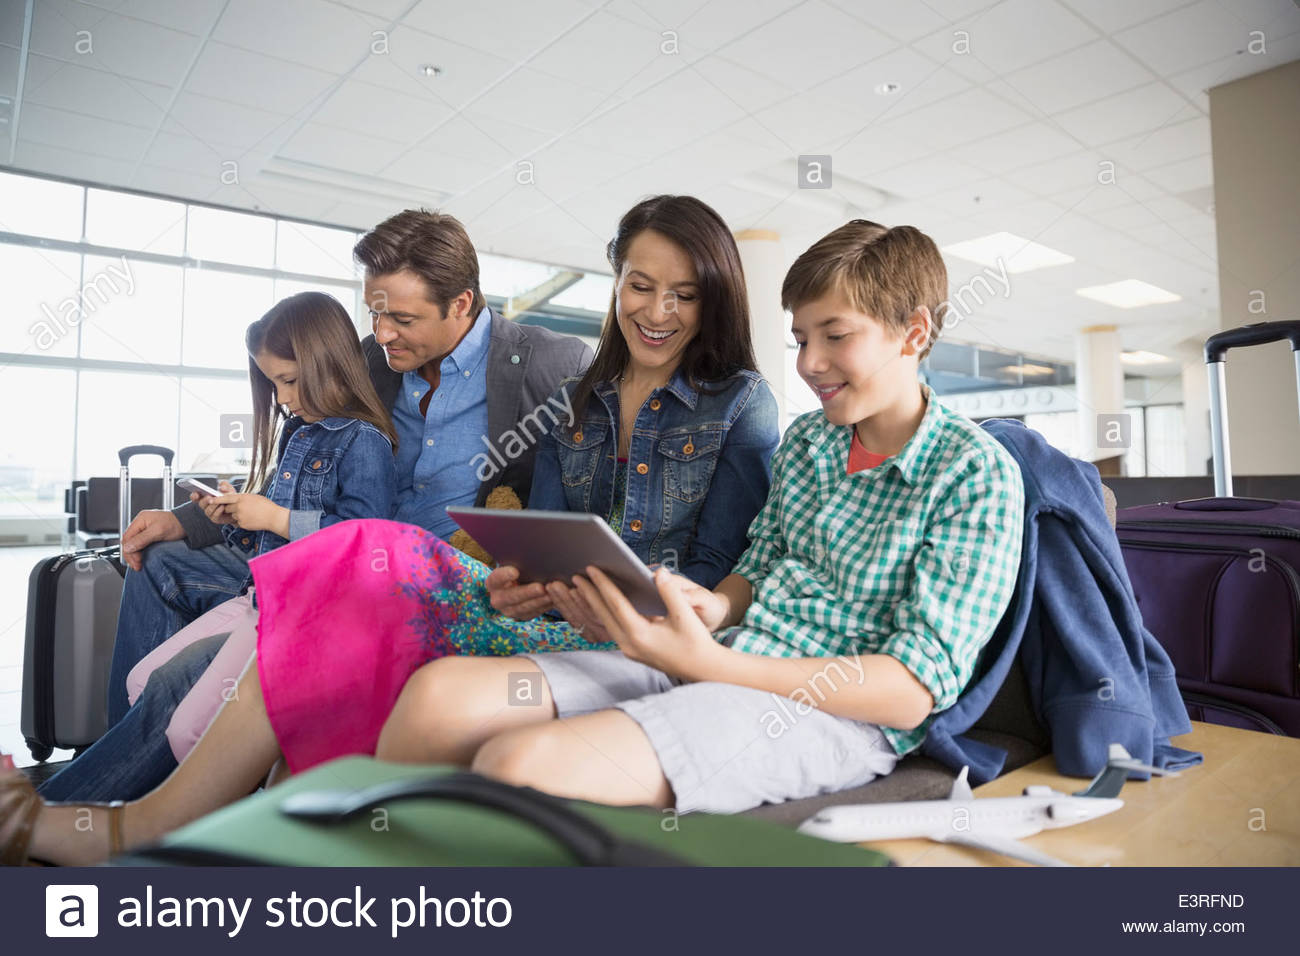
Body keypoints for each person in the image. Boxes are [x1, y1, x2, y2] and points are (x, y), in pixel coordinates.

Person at [0, 195, 780, 864]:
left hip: (599, 619)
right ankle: (133, 814)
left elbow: (717, 571)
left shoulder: (653, 387)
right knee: (195, 569)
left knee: (360, 549)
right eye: (640, 286)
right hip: (497, 600)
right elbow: (548, 530)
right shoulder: (574, 397)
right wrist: (523, 584)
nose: (657, 311)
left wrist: (626, 600)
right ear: (618, 282)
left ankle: (122, 823)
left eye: (683, 294)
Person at [371, 220, 1028, 815]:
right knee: (439, 697)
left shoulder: (976, 473)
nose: (809, 363)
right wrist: (707, 610)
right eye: (801, 338)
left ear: (914, 332)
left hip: (827, 711)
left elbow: (913, 690)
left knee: (519, 765)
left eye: (835, 336)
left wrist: (710, 661)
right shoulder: (810, 442)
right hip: (727, 653)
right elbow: (759, 566)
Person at [37, 210, 591, 803]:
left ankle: (85, 805)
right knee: (161, 556)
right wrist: (184, 518)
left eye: (401, 318)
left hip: (405, 586)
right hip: (317, 553)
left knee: (185, 677)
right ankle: (118, 746)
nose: (382, 334)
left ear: (461, 303)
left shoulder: (550, 365)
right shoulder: (372, 359)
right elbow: (291, 482)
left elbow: (573, 509)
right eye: (375, 313)